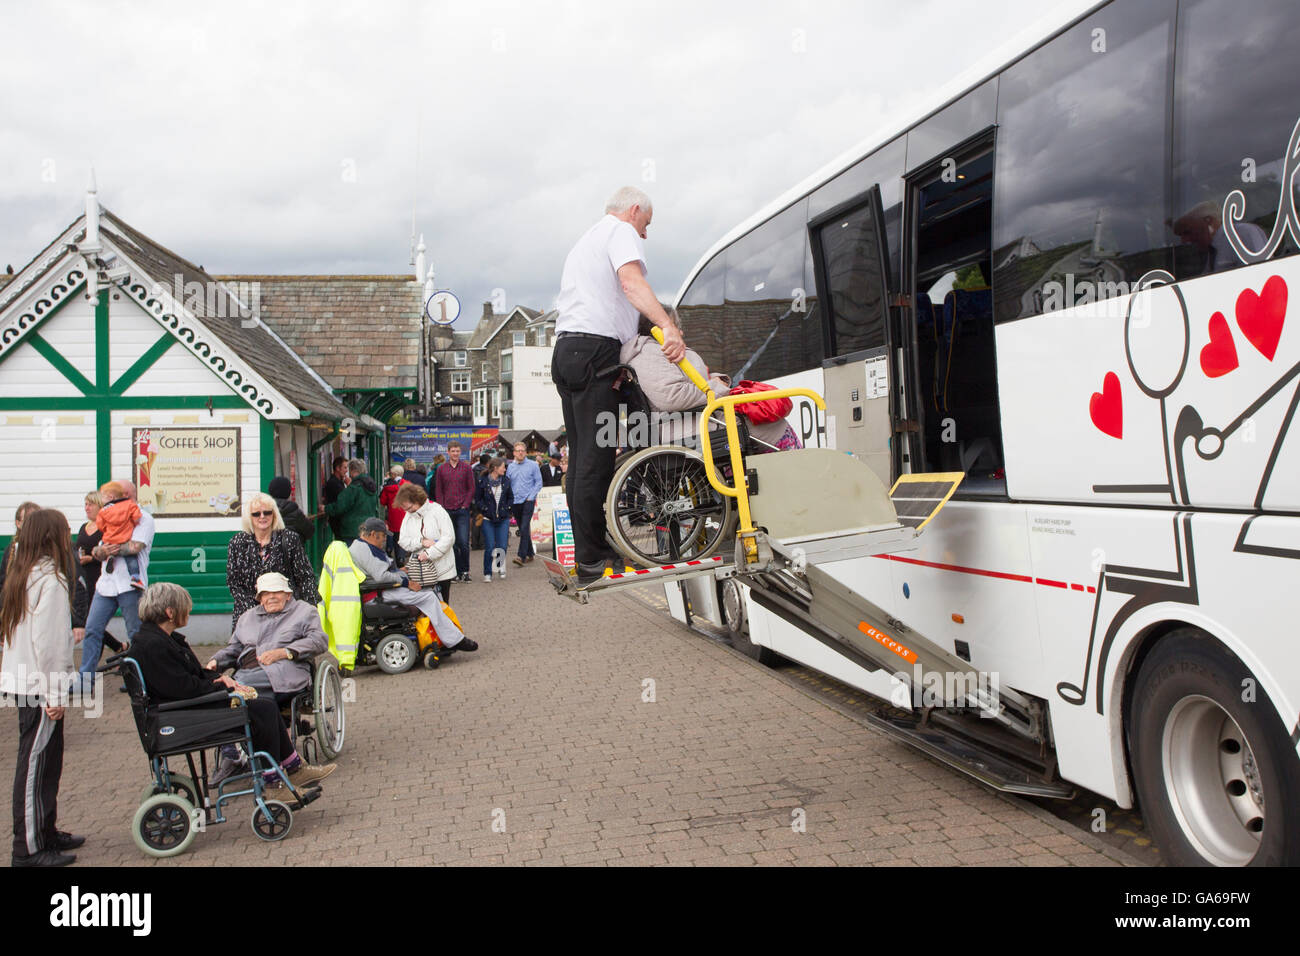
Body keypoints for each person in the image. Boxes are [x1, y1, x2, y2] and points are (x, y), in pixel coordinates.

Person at [553, 186, 685, 585]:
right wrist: (667, 326)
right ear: (634, 211)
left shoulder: (586, 240)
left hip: (566, 351)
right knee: (595, 459)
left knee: (580, 462)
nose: (645, 235)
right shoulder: (620, 231)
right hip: (596, 351)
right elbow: (632, 283)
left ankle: (588, 554)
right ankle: (595, 561)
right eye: (646, 225)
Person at [129, 582, 335, 792]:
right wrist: (224, 690)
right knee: (261, 712)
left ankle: (293, 768)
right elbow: (182, 687)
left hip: (187, 706)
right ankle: (274, 784)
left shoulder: (163, 639)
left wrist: (221, 679)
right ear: (170, 612)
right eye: (185, 607)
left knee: (263, 706)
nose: (189, 611)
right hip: (183, 715)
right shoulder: (153, 645)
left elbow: (191, 676)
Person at [0, 509, 83, 867]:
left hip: (27, 682)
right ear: (53, 538)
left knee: (46, 763)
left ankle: (45, 831)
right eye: (66, 531)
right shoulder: (49, 581)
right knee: (36, 766)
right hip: (39, 686)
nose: (71, 537)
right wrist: (55, 694)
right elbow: (48, 645)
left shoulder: (22, 576)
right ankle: (28, 849)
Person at [349, 519, 474, 652]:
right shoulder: (362, 549)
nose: (384, 540)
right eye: (383, 536)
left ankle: (446, 637)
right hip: (377, 593)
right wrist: (406, 582)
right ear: (374, 534)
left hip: (380, 590)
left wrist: (399, 572)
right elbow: (381, 576)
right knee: (428, 597)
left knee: (429, 594)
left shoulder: (362, 546)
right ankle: (453, 640)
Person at [81, 479, 152, 690]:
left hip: (130, 585)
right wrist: (100, 551)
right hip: (106, 584)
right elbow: (99, 549)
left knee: (135, 634)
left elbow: (135, 546)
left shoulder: (144, 518)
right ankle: (85, 681)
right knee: (92, 629)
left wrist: (108, 549)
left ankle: (138, 681)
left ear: (128, 495)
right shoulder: (111, 514)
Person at [226, 494, 320, 630]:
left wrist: (310, 610)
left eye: (267, 512)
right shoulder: (237, 542)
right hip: (249, 617)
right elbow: (233, 583)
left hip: (287, 616)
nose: (262, 516)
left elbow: (305, 576)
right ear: (249, 518)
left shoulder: (290, 539)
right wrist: (255, 609)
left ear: (274, 514)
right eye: (256, 514)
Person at [394, 483, 457, 604]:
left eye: (409, 507)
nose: (407, 511)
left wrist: (429, 553)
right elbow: (403, 540)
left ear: (417, 500)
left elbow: (449, 538)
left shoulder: (437, 511)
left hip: (441, 569)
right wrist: (421, 542)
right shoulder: (409, 516)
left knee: (442, 605)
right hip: (419, 571)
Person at [434, 441, 476, 583]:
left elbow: (471, 488)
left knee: (463, 542)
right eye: (453, 451)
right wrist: (441, 506)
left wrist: (465, 504)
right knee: (451, 543)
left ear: (460, 452)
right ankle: (455, 572)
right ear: (448, 452)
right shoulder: (441, 469)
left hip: (462, 510)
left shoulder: (466, 468)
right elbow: (438, 489)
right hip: (447, 510)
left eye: (458, 451)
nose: (456, 454)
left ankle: (465, 571)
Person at [95, 481, 144, 590]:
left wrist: (106, 530)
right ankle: (135, 577)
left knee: (104, 547)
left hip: (109, 539)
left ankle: (110, 557)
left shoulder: (103, 511)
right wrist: (132, 524)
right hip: (124, 538)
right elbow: (137, 517)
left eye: (102, 497)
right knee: (131, 558)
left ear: (110, 497)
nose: (101, 501)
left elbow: (100, 525)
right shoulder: (130, 505)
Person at [475, 458, 513, 582]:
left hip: (503, 518)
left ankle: (499, 566)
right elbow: (478, 499)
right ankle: (487, 572)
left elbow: (510, 497)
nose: (505, 469)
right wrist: (485, 509)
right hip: (488, 518)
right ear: (495, 468)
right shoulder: (483, 481)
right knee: (490, 546)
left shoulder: (506, 481)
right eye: (503, 467)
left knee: (502, 545)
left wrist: (507, 509)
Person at [324, 458, 378, 544]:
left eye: (348, 470)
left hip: (353, 531)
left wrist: (325, 508)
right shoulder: (371, 486)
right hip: (369, 528)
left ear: (353, 471)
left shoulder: (354, 488)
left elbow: (340, 506)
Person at [507, 442, 542, 566]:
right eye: (518, 451)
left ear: (526, 452)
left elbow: (538, 483)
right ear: (514, 453)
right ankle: (530, 553)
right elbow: (508, 484)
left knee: (523, 526)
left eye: (522, 450)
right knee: (524, 528)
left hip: (528, 500)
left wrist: (530, 497)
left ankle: (521, 556)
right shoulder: (510, 467)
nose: (520, 453)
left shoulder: (533, 465)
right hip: (515, 501)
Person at [268, 476, 315, 543]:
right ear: (288, 491)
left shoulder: (264, 511)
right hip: (292, 551)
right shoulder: (294, 511)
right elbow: (310, 531)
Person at [379, 464, 410, 540]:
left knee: (392, 538)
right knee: (402, 541)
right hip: (405, 516)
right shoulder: (408, 485)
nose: (390, 476)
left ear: (395, 474)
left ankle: (390, 550)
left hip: (392, 517)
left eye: (391, 474)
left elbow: (382, 502)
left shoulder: (387, 487)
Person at [322, 456, 348, 540]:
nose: (346, 470)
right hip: (338, 522)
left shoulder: (339, 482)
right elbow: (344, 500)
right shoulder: (334, 483)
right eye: (344, 467)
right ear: (337, 468)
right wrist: (350, 486)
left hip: (340, 522)